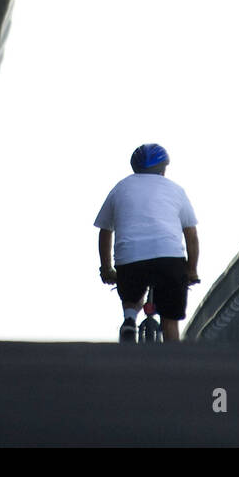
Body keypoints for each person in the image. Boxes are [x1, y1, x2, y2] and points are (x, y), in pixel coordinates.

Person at [95, 143, 200, 342]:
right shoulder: (176, 190)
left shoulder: (120, 188)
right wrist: (192, 270)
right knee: (169, 318)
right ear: (163, 168)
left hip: (130, 258)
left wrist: (106, 268)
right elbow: (191, 235)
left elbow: (105, 231)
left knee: (132, 295)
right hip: (169, 258)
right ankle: (173, 362)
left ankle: (129, 319)